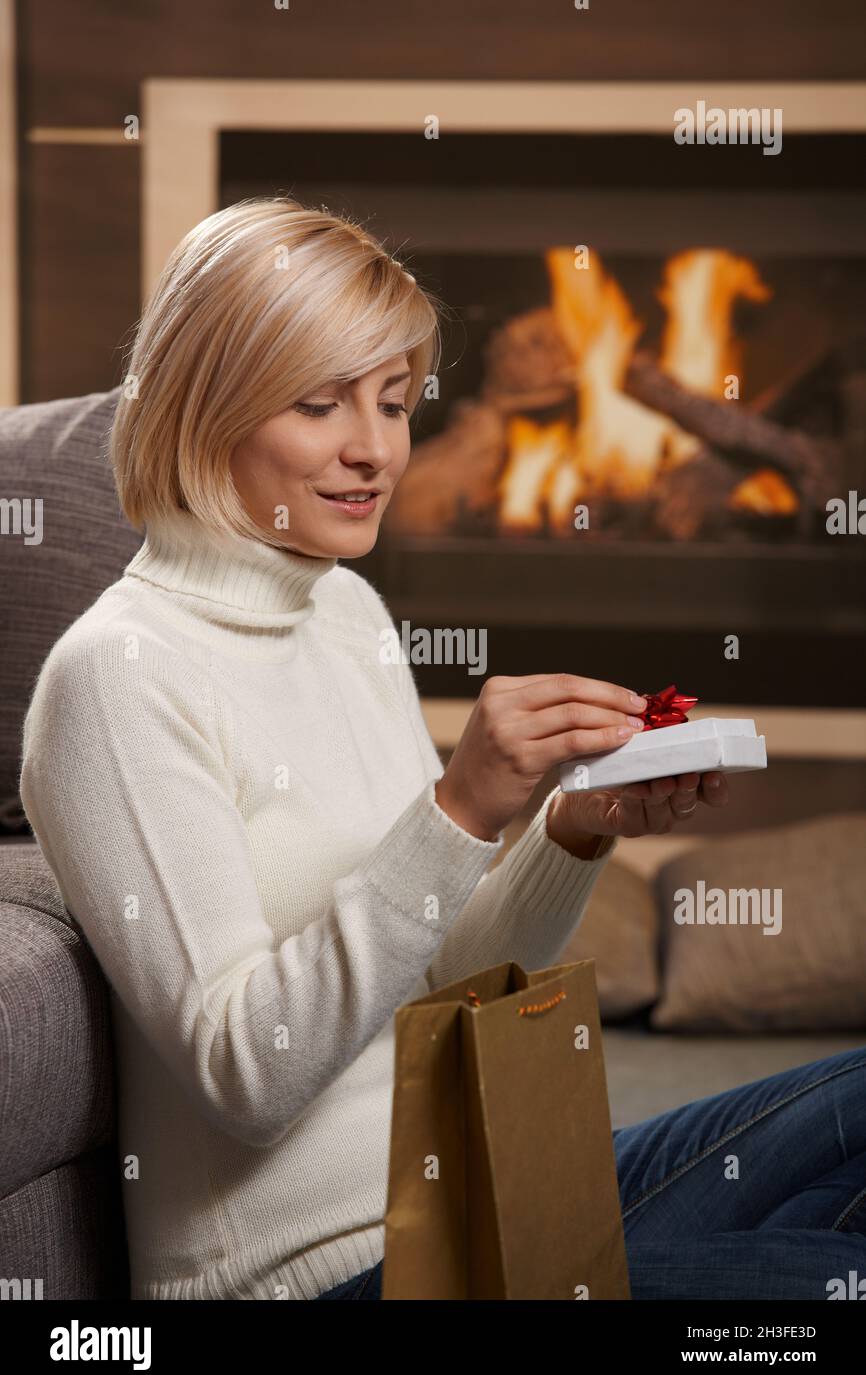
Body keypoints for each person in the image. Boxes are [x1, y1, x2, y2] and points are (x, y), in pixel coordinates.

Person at [19, 197, 865, 1301]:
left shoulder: (347, 616)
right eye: (319, 405)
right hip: (325, 1275)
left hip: (490, 1204)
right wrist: (460, 810)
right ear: (205, 408)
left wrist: (567, 828)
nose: (372, 450)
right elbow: (243, 1070)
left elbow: (444, 977)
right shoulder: (116, 678)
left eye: (390, 401)